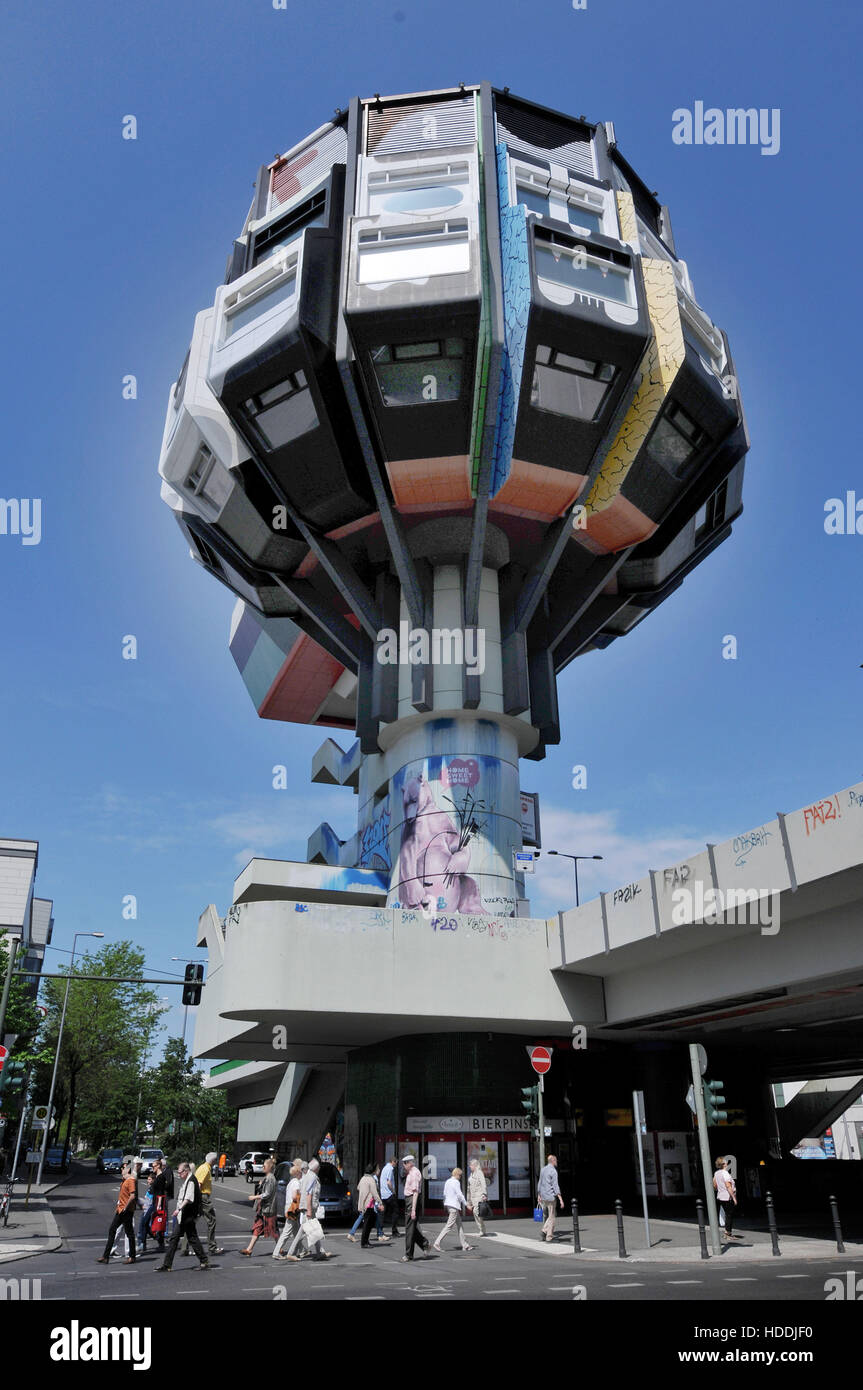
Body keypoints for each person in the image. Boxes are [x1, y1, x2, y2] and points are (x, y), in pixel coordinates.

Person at [155, 1161, 209, 1272]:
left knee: (177, 1238)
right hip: (185, 1215)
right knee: (191, 1238)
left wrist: (178, 1209)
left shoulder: (191, 1181)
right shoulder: (188, 1180)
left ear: (186, 1171)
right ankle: (203, 1261)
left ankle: (167, 1265)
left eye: (180, 1173)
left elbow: (188, 1198)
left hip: (187, 1215)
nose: (179, 1175)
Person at [282, 1158, 333, 1261]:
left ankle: (320, 1252)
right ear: (316, 1168)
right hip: (309, 1208)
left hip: (306, 1207)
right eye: (319, 1167)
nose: (319, 1169)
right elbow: (309, 1194)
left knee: (314, 1229)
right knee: (303, 1231)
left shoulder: (306, 1176)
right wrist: (309, 1210)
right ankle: (291, 1253)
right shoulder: (313, 1177)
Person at [181, 1152, 225, 1257]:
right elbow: (199, 1184)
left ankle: (184, 1248)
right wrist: (197, 1200)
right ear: (213, 1161)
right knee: (212, 1220)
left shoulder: (203, 1168)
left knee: (192, 1222)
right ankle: (212, 1247)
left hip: (200, 1197)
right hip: (202, 1197)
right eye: (216, 1160)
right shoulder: (205, 1169)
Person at [97, 1161, 138, 1265]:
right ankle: (105, 1257)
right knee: (112, 1230)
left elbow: (133, 1196)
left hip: (126, 1211)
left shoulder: (131, 1180)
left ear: (128, 1169)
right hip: (120, 1210)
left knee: (129, 1234)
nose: (121, 1170)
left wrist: (125, 1207)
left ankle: (132, 1257)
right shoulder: (124, 1180)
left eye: (123, 1168)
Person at [240, 1156, 278, 1255]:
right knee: (257, 1228)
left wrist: (255, 1197)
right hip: (263, 1209)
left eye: (264, 1166)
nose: (263, 1167)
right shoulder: (267, 1178)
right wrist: (261, 1184)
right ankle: (249, 1249)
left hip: (268, 1209)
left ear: (270, 1167)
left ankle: (279, 1248)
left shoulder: (270, 1178)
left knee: (273, 1230)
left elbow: (267, 1194)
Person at [433, 1167, 474, 1252]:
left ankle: (465, 1245)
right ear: (457, 1174)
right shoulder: (456, 1182)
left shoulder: (448, 1181)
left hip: (449, 1205)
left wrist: (445, 1204)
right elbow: (459, 1195)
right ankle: (437, 1242)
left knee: (460, 1225)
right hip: (454, 1206)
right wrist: (466, 1205)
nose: (460, 1177)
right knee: (448, 1226)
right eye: (460, 1175)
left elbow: (444, 1194)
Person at [400, 1154, 431, 1262]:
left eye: (405, 1164)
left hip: (412, 1201)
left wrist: (413, 1209)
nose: (403, 1166)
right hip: (410, 1200)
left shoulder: (414, 1174)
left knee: (409, 1229)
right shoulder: (411, 1172)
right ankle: (425, 1244)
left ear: (409, 1163)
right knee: (412, 1228)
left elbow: (415, 1193)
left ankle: (409, 1254)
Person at [273, 1160, 304, 1259]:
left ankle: (303, 1250)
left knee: (296, 1231)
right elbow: (295, 1197)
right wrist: (301, 1195)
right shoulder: (296, 1183)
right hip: (293, 1210)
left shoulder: (291, 1182)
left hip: (289, 1208)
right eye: (300, 1172)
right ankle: (276, 1252)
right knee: (286, 1232)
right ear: (298, 1173)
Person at [356, 1164, 385, 1249]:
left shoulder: (363, 1178)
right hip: (368, 1204)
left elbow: (358, 1188)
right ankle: (364, 1242)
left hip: (364, 1204)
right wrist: (380, 1203)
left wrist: (364, 1192)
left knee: (370, 1221)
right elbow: (374, 1193)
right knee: (368, 1224)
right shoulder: (371, 1180)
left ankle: (365, 1241)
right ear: (372, 1171)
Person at [537, 1154, 564, 1243]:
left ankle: (544, 1231)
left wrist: (539, 1195)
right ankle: (549, 1237)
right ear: (553, 1161)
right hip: (550, 1196)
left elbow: (540, 1183)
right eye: (555, 1160)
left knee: (551, 1215)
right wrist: (560, 1199)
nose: (556, 1162)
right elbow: (555, 1186)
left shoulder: (543, 1169)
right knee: (552, 1217)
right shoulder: (553, 1171)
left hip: (544, 1196)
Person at [713, 1157, 739, 1240]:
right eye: (726, 1162)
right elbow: (728, 1186)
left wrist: (719, 1189)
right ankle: (728, 1233)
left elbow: (714, 1184)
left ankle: (727, 1232)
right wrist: (734, 1198)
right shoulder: (725, 1173)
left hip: (720, 1196)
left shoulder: (717, 1173)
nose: (727, 1163)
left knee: (727, 1214)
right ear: (723, 1164)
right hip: (728, 1197)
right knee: (729, 1215)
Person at [467, 1157, 489, 1237]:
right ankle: (483, 1230)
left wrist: (484, 1194)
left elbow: (483, 1184)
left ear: (475, 1165)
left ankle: (482, 1230)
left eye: (471, 1165)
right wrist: (468, 1201)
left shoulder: (479, 1173)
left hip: (479, 1197)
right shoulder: (471, 1174)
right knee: (476, 1213)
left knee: (476, 1212)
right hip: (473, 1198)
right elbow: (468, 1188)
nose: (469, 1166)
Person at [380, 1154, 400, 1238]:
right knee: (396, 1211)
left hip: (383, 1194)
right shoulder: (390, 1169)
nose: (396, 1165)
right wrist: (393, 1191)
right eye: (396, 1163)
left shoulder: (384, 1168)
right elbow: (389, 1182)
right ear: (393, 1162)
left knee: (383, 1213)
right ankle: (394, 1230)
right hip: (389, 1194)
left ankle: (380, 1230)